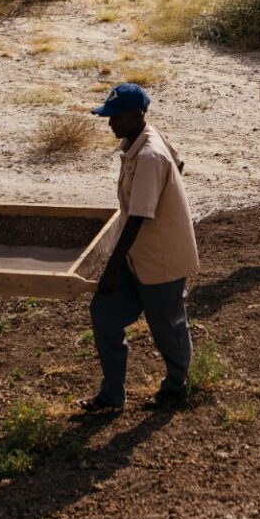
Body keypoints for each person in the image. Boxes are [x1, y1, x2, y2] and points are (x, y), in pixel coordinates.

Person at [78, 83, 197, 414]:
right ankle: (112, 394)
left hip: (160, 258)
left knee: (166, 327)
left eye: (115, 117)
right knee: (104, 314)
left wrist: (112, 267)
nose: (110, 123)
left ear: (136, 115)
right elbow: (180, 163)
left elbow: (140, 217)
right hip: (137, 253)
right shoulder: (140, 139)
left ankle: (177, 386)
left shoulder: (149, 155)